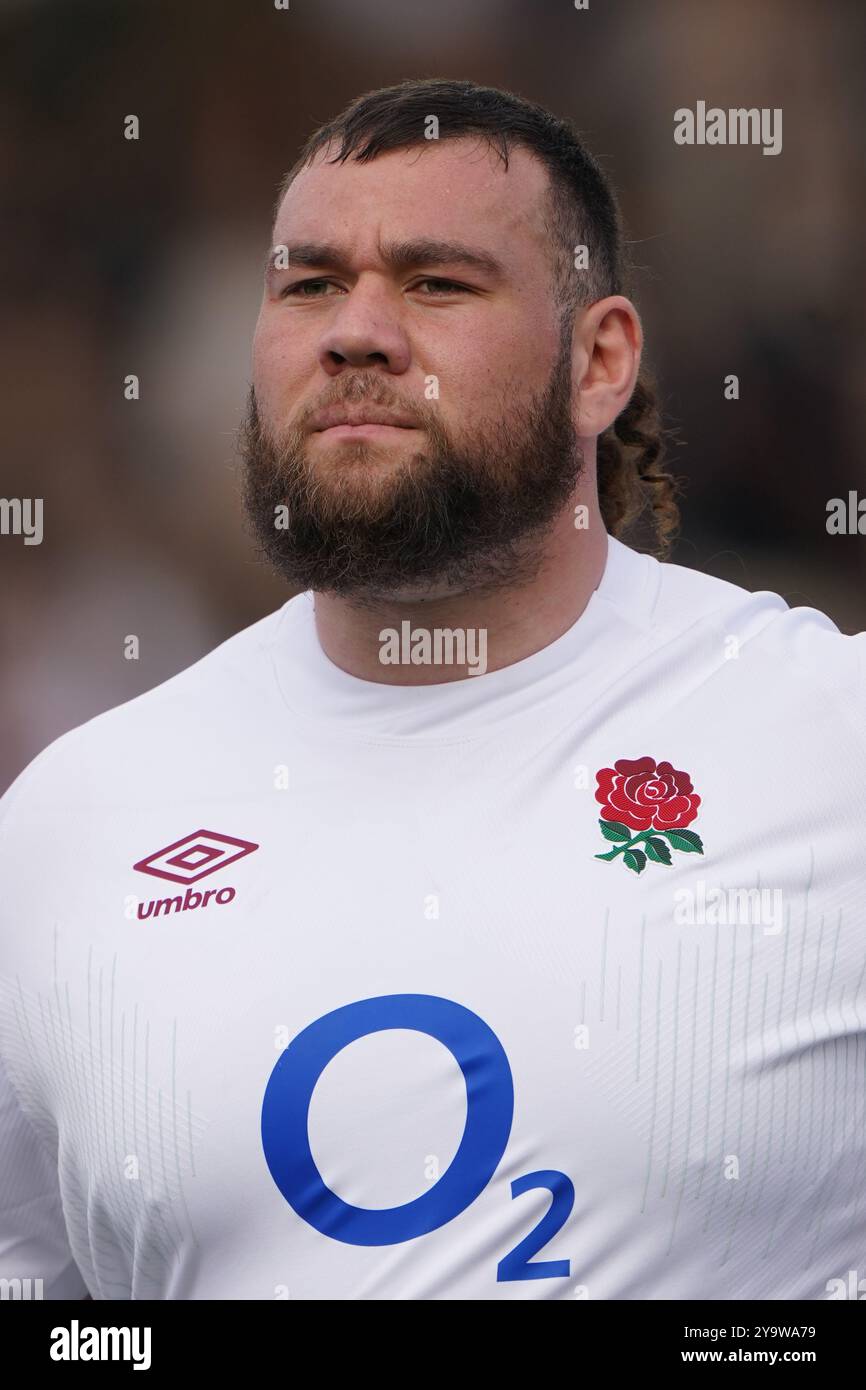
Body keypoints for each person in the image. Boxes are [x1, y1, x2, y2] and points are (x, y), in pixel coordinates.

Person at [1, 78, 863, 1302]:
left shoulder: (828, 737)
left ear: (600, 361)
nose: (356, 330)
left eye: (435, 281)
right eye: (307, 283)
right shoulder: (75, 821)